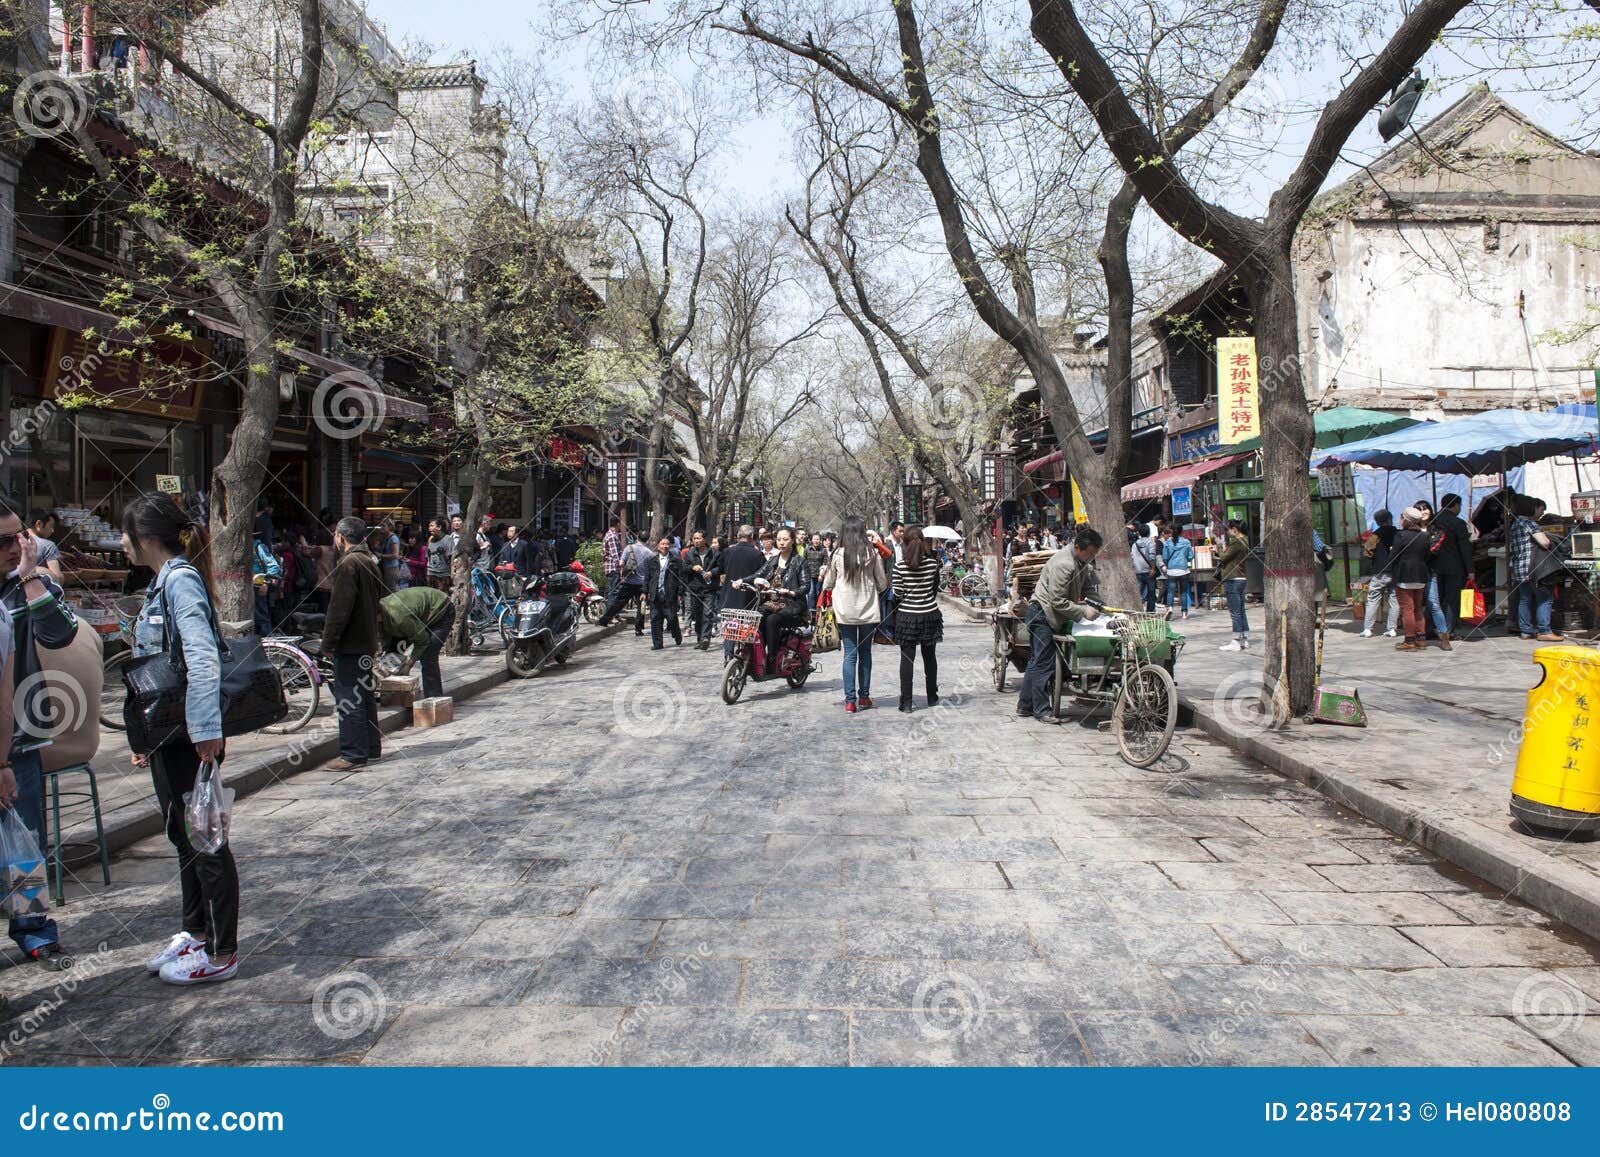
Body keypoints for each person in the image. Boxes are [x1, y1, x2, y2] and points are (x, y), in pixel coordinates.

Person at [117, 494, 239, 985]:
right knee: (182, 833)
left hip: (191, 736)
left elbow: (203, 658)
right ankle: (195, 932)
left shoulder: (180, 581)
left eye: (122, 533)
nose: (119, 542)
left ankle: (222, 951)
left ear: (145, 538)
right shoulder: (161, 584)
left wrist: (206, 731)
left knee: (206, 839)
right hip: (169, 735)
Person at [0, 503, 74, 969]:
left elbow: (60, 633)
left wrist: (29, 579)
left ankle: (31, 928)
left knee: (25, 843)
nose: (13, 549)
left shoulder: (28, 584)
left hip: (19, 736)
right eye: (3, 543)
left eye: (17, 538)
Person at [1016, 525, 1102, 725]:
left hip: (1049, 614)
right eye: (1090, 553)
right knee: (1043, 663)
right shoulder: (1064, 564)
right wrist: (1083, 612)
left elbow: (1088, 587)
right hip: (1042, 614)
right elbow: (1057, 601)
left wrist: (1098, 604)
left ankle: (1025, 705)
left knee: (1036, 661)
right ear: (1079, 547)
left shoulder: (1081, 563)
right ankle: (1041, 710)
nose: (1092, 557)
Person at [323, 517, 384, 770]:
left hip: (351, 643)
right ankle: (370, 747)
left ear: (341, 537)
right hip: (367, 640)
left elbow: (339, 609)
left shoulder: (349, 564)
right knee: (365, 695)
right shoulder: (369, 561)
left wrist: (328, 641)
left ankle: (353, 753)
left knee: (350, 698)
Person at [824, 516, 886, 714]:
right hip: (868, 610)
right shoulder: (872, 553)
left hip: (844, 611)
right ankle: (864, 697)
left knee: (849, 655)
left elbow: (827, 583)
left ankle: (850, 701)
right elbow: (883, 583)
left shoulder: (837, 555)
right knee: (865, 653)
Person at [738, 526, 806, 668]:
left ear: (792, 541)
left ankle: (772, 658)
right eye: (779, 539)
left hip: (792, 605)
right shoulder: (772, 560)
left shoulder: (799, 561)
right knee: (757, 616)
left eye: (785, 539)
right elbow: (758, 574)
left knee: (772, 620)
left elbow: (806, 586)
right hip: (771, 603)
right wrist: (742, 581)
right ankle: (755, 655)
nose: (781, 542)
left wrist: (791, 592)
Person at [892, 525, 943, 712]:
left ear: (905, 543)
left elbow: (897, 593)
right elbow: (933, 588)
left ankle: (906, 702)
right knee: (930, 658)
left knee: (907, 659)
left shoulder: (899, 567)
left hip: (906, 617)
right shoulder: (932, 564)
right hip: (929, 614)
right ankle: (932, 696)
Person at [379, 584, 455, 700]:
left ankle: (434, 699)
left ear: (378, 616)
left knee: (428, 655)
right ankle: (394, 692)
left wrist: (409, 664)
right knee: (392, 653)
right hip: (417, 615)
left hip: (441, 611)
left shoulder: (401, 618)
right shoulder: (381, 614)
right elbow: (384, 642)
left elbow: (422, 642)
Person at [1509, 495, 1562, 642]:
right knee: (1545, 598)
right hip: (1533, 568)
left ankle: (1525, 630)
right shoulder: (1529, 523)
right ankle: (1544, 630)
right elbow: (1544, 542)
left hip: (1519, 567)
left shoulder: (1515, 523)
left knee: (1525, 599)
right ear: (1530, 508)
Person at [1389, 507, 1436, 652]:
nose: (1400, 521)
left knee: (1407, 609)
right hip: (1421, 575)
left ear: (1406, 520)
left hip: (1404, 575)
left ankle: (1409, 640)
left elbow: (1393, 557)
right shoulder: (1425, 536)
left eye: (1402, 518)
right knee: (1418, 608)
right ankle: (1421, 639)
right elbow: (1428, 556)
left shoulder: (1400, 535)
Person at [1430, 493, 1474, 642]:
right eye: (1459, 505)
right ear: (1455, 505)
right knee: (1451, 599)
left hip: (1434, 566)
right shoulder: (1458, 523)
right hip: (1454, 567)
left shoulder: (1433, 521)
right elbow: (1465, 548)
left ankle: (1430, 628)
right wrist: (1470, 570)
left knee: (1435, 599)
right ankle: (1448, 631)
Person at [1359, 510, 1401, 639]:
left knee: (1373, 599)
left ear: (1377, 522)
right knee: (1394, 600)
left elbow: (1367, 553)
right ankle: (1392, 629)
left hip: (1379, 571)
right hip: (1395, 571)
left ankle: (1368, 629)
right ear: (1390, 518)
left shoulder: (1375, 535)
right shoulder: (1398, 534)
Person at [598, 535, 651, 636]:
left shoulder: (629, 548)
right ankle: (638, 629)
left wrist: (624, 572)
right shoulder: (649, 552)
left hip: (629, 581)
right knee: (642, 607)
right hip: (643, 584)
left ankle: (604, 620)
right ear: (647, 539)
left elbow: (621, 563)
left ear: (637, 538)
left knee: (619, 602)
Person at [641, 536, 686, 649]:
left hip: (670, 594)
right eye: (662, 544)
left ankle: (676, 634)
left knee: (671, 618)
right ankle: (657, 643)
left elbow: (681, 578)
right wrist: (644, 591)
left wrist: (680, 593)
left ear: (670, 546)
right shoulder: (651, 560)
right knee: (655, 619)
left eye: (667, 544)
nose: (665, 546)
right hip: (655, 594)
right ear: (658, 546)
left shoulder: (676, 561)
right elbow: (647, 577)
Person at [1216, 519, 1252, 652]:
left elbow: (1223, 557)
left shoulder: (1237, 542)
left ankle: (1236, 641)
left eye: (1229, 529)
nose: (1228, 532)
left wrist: (1219, 546)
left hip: (1232, 579)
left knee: (1235, 612)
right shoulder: (1245, 540)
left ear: (1235, 530)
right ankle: (1244, 638)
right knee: (1241, 610)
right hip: (1241, 578)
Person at [682, 531, 720, 649]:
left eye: (699, 538)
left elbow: (720, 568)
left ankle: (706, 637)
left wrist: (711, 573)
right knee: (697, 615)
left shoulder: (714, 553)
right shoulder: (689, 553)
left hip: (710, 588)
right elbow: (683, 568)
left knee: (707, 613)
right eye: (694, 538)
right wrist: (692, 567)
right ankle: (700, 638)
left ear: (704, 540)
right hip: (695, 589)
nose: (696, 540)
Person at [1161, 525, 1194, 619]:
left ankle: (1170, 608)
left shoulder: (1167, 542)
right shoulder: (1186, 542)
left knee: (1170, 591)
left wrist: (1167, 564)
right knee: (1183, 592)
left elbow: (1165, 557)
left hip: (1171, 570)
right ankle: (1184, 613)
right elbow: (1190, 556)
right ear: (1181, 532)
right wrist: (1185, 558)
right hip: (1183, 570)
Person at [251, 530, 280, 636]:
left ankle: (267, 643)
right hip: (246, 587)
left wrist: (265, 583)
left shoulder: (258, 547)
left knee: (261, 618)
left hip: (257, 586)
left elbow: (273, 566)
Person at [1131, 525, 1159, 612]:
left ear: (1139, 533)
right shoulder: (1150, 543)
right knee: (1151, 593)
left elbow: (1132, 557)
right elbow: (1152, 557)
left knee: (1138, 592)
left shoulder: (1134, 544)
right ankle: (1150, 612)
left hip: (1138, 571)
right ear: (1149, 533)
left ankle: (1137, 611)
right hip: (1149, 571)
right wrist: (1153, 568)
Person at [28, 510, 63, 580]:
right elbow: (57, 578)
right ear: (39, 524)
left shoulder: (14, 541)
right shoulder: (48, 545)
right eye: (51, 526)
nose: (52, 530)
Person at [374, 517, 404, 592]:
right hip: (386, 568)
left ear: (390, 527)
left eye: (383, 526)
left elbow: (395, 555)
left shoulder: (393, 538)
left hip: (391, 569)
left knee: (391, 591)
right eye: (381, 526)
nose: (381, 528)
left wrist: (381, 555)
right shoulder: (385, 538)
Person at [426, 518, 453, 592]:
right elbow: (428, 556)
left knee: (443, 596)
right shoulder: (430, 539)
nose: (429, 528)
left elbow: (452, 558)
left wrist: (452, 573)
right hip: (431, 572)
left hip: (443, 573)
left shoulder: (448, 539)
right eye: (429, 526)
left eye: (431, 526)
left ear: (439, 527)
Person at [804, 532, 827, 612]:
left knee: (818, 592)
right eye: (814, 539)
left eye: (817, 539)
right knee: (811, 592)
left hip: (819, 575)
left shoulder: (823, 550)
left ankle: (818, 609)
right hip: (809, 574)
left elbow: (825, 562)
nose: (816, 541)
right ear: (811, 540)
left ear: (820, 540)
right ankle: (811, 610)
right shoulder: (807, 549)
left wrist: (822, 573)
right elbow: (804, 561)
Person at [602, 517, 625, 589]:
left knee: (613, 591)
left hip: (612, 568)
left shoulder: (612, 534)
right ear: (618, 524)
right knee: (614, 592)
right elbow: (615, 554)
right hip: (613, 568)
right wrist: (620, 567)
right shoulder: (612, 536)